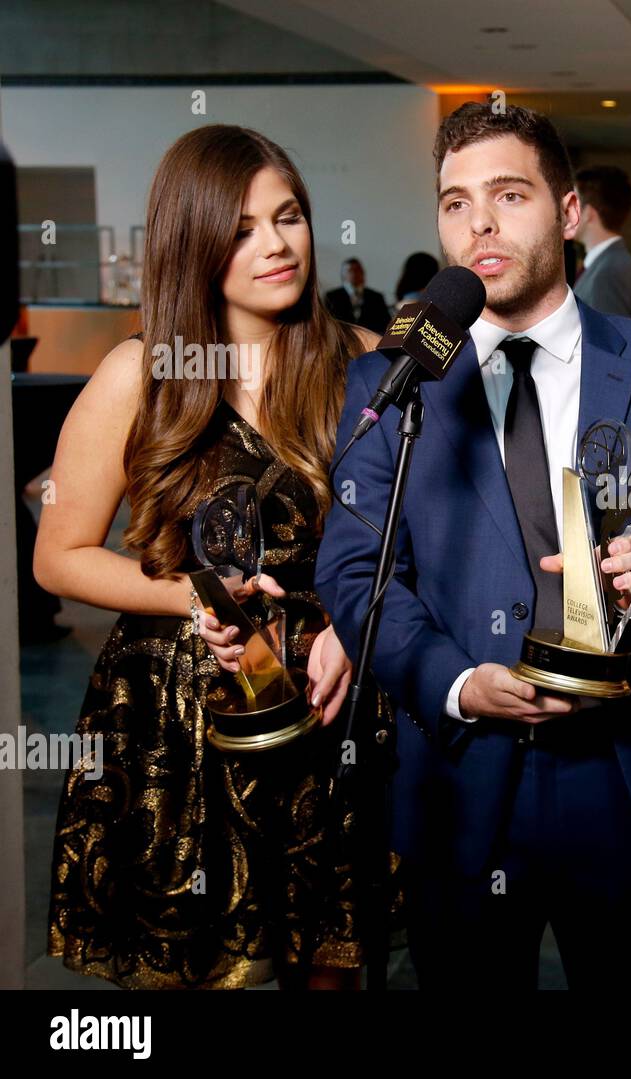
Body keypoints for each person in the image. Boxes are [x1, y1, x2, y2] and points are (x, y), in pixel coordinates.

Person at [316, 102, 631, 989]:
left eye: (508, 195)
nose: (477, 223)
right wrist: (455, 681)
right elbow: (356, 569)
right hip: (458, 777)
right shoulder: (391, 379)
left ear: (564, 212)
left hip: (623, 775)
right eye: (454, 203)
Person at [34, 124, 401, 989]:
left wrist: (358, 618)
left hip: (332, 702)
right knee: (201, 972)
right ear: (192, 240)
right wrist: (196, 602)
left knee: (336, 964)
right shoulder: (140, 373)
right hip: (184, 716)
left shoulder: (364, 361)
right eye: (240, 228)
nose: (276, 244)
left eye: (289, 216)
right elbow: (61, 554)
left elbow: (412, 534)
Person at [573, 165, 631, 321]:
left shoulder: (609, 272)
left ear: (588, 213)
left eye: (574, 202)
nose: (566, 210)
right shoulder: (612, 264)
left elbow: (607, 343)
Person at [324, 257, 390, 333]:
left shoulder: (376, 297)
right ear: (343, 274)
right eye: (349, 270)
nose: (354, 273)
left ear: (363, 273)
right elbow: (328, 323)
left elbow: (385, 323)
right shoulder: (332, 297)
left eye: (357, 270)